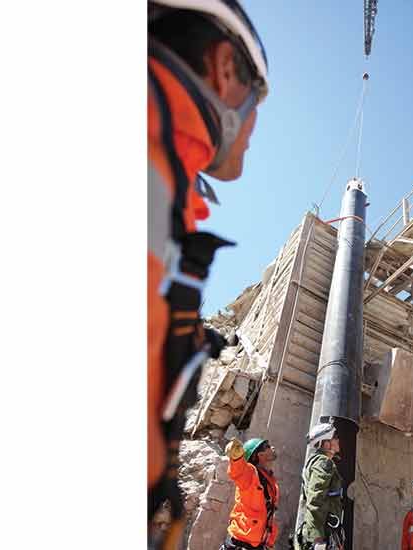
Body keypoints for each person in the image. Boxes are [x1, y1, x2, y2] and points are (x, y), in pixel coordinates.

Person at [148, 1, 269, 547]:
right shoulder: (149, 170)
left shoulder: (166, 188)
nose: (254, 129)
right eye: (259, 101)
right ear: (227, 69)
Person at [221, 438, 281, 550]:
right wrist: (237, 458)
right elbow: (239, 471)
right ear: (260, 455)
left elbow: (269, 515)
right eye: (267, 446)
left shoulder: (270, 481)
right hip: (240, 543)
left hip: (258, 545)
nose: (272, 447)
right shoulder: (250, 475)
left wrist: (269, 543)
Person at [295, 420, 345, 550]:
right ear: (326, 443)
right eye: (335, 437)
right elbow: (315, 499)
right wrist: (317, 539)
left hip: (325, 530)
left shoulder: (316, 462)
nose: (338, 440)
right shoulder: (323, 463)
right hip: (321, 534)